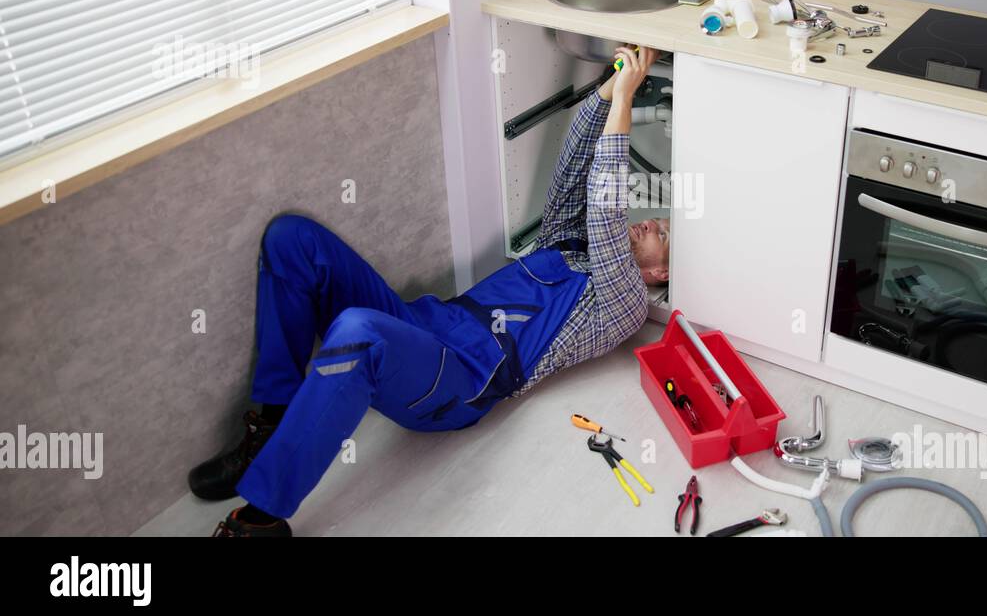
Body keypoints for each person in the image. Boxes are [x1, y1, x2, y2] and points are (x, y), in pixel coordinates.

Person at [191, 46, 669, 536]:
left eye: (663, 236)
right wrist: (615, 84)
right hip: (425, 327)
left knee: (359, 332)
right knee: (292, 240)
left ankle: (263, 516)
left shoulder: (621, 305)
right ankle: (274, 424)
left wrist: (626, 103)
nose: (651, 222)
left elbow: (606, 212)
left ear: (656, 276)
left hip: (459, 381)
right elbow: (575, 161)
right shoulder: (569, 246)